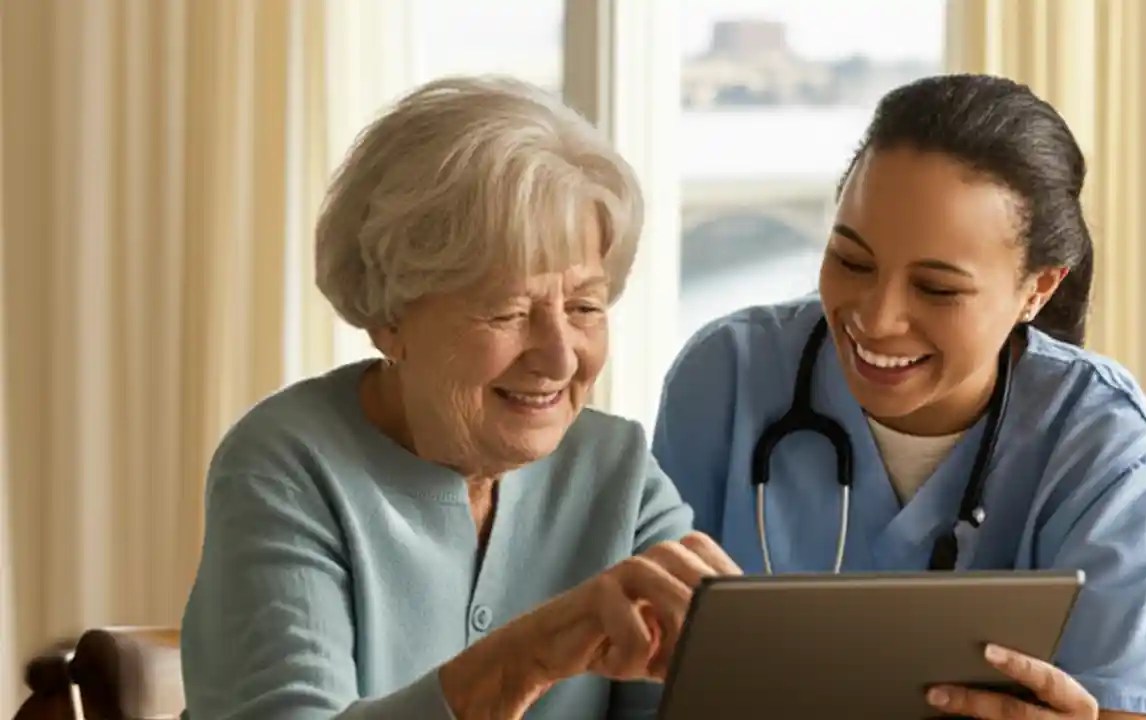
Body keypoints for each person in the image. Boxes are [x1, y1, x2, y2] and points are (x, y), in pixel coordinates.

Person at [180, 76, 741, 720]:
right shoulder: (289, 465)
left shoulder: (615, 469)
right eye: (506, 312)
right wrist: (527, 658)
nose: (559, 356)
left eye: (585, 306)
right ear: (391, 316)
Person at [654, 74, 1146, 719]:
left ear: (1038, 289)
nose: (877, 319)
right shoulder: (728, 378)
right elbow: (639, 676)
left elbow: (1131, 705)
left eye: (937, 289)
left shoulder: (1101, 443)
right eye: (852, 262)